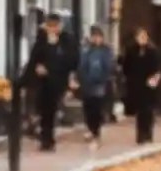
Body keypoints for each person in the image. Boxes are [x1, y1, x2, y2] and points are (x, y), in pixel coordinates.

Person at [22, 13, 79, 151]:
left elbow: (71, 61)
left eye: (55, 26)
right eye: (50, 26)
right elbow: (34, 59)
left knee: (51, 111)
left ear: (60, 26)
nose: (52, 29)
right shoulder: (41, 40)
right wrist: (35, 70)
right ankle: (44, 138)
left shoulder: (66, 41)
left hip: (58, 81)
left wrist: (71, 81)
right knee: (43, 110)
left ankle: (49, 139)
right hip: (42, 82)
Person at [121, 28, 161, 144]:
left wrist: (154, 79)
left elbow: (157, 68)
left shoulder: (152, 51)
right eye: (139, 37)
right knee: (140, 111)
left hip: (149, 84)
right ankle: (140, 135)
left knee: (148, 110)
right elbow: (126, 66)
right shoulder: (132, 50)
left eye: (144, 37)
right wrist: (129, 78)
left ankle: (148, 132)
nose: (141, 39)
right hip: (136, 85)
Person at [77, 26, 115, 148]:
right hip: (86, 83)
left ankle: (96, 132)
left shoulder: (106, 51)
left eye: (98, 37)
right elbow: (81, 66)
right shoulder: (86, 50)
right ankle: (90, 128)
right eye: (94, 36)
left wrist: (103, 79)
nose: (96, 39)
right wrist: (81, 78)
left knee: (96, 108)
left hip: (99, 84)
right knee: (87, 108)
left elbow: (108, 67)